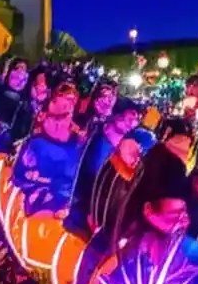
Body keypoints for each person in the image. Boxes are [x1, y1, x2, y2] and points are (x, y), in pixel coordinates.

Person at [68, 98, 142, 235]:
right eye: (128, 116)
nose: (130, 122)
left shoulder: (123, 154)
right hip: (71, 204)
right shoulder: (93, 131)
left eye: (135, 120)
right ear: (116, 115)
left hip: (92, 218)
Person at [14, 83, 83, 216]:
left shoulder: (76, 141)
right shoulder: (37, 134)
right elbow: (20, 170)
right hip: (26, 196)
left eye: (71, 100)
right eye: (63, 98)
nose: (67, 104)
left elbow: (70, 181)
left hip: (56, 205)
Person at [90, 126, 156, 235]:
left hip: (104, 230)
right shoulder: (113, 166)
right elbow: (98, 195)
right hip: (94, 225)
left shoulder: (132, 174)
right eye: (134, 151)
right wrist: (96, 221)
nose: (136, 158)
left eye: (141, 155)